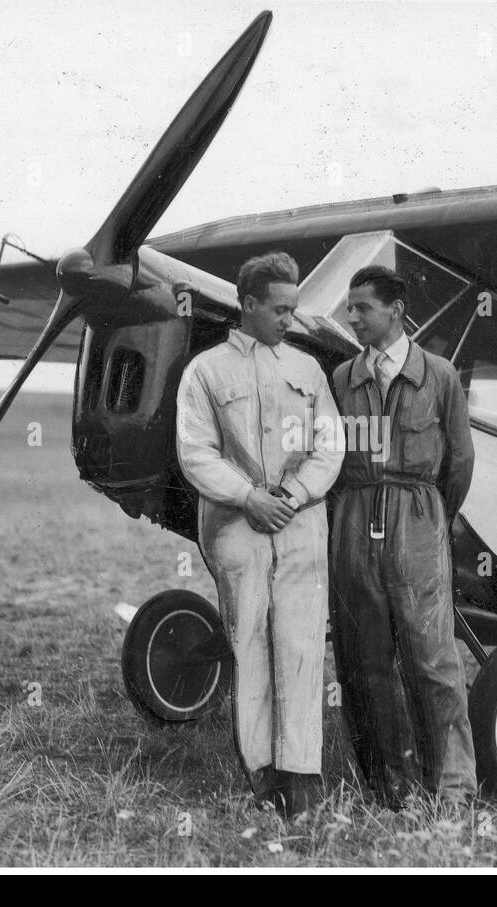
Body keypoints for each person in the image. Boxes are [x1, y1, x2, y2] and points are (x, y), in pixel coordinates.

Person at [175, 251, 344, 820]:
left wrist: (292, 497)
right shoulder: (206, 371)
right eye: (278, 309)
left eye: (294, 309)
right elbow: (194, 451)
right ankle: (261, 775)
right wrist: (248, 497)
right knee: (249, 644)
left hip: (300, 528)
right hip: (237, 528)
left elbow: (330, 445)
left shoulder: (309, 370)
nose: (289, 321)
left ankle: (302, 776)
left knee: (299, 646)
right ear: (246, 304)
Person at [329, 265, 477, 808]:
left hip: (417, 516)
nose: (353, 316)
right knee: (361, 657)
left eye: (363, 307)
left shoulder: (439, 375)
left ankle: (453, 785)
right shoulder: (344, 378)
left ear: (395, 309)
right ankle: (387, 785)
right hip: (354, 514)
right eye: (351, 307)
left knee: (431, 656)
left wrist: (430, 516)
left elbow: (459, 463)